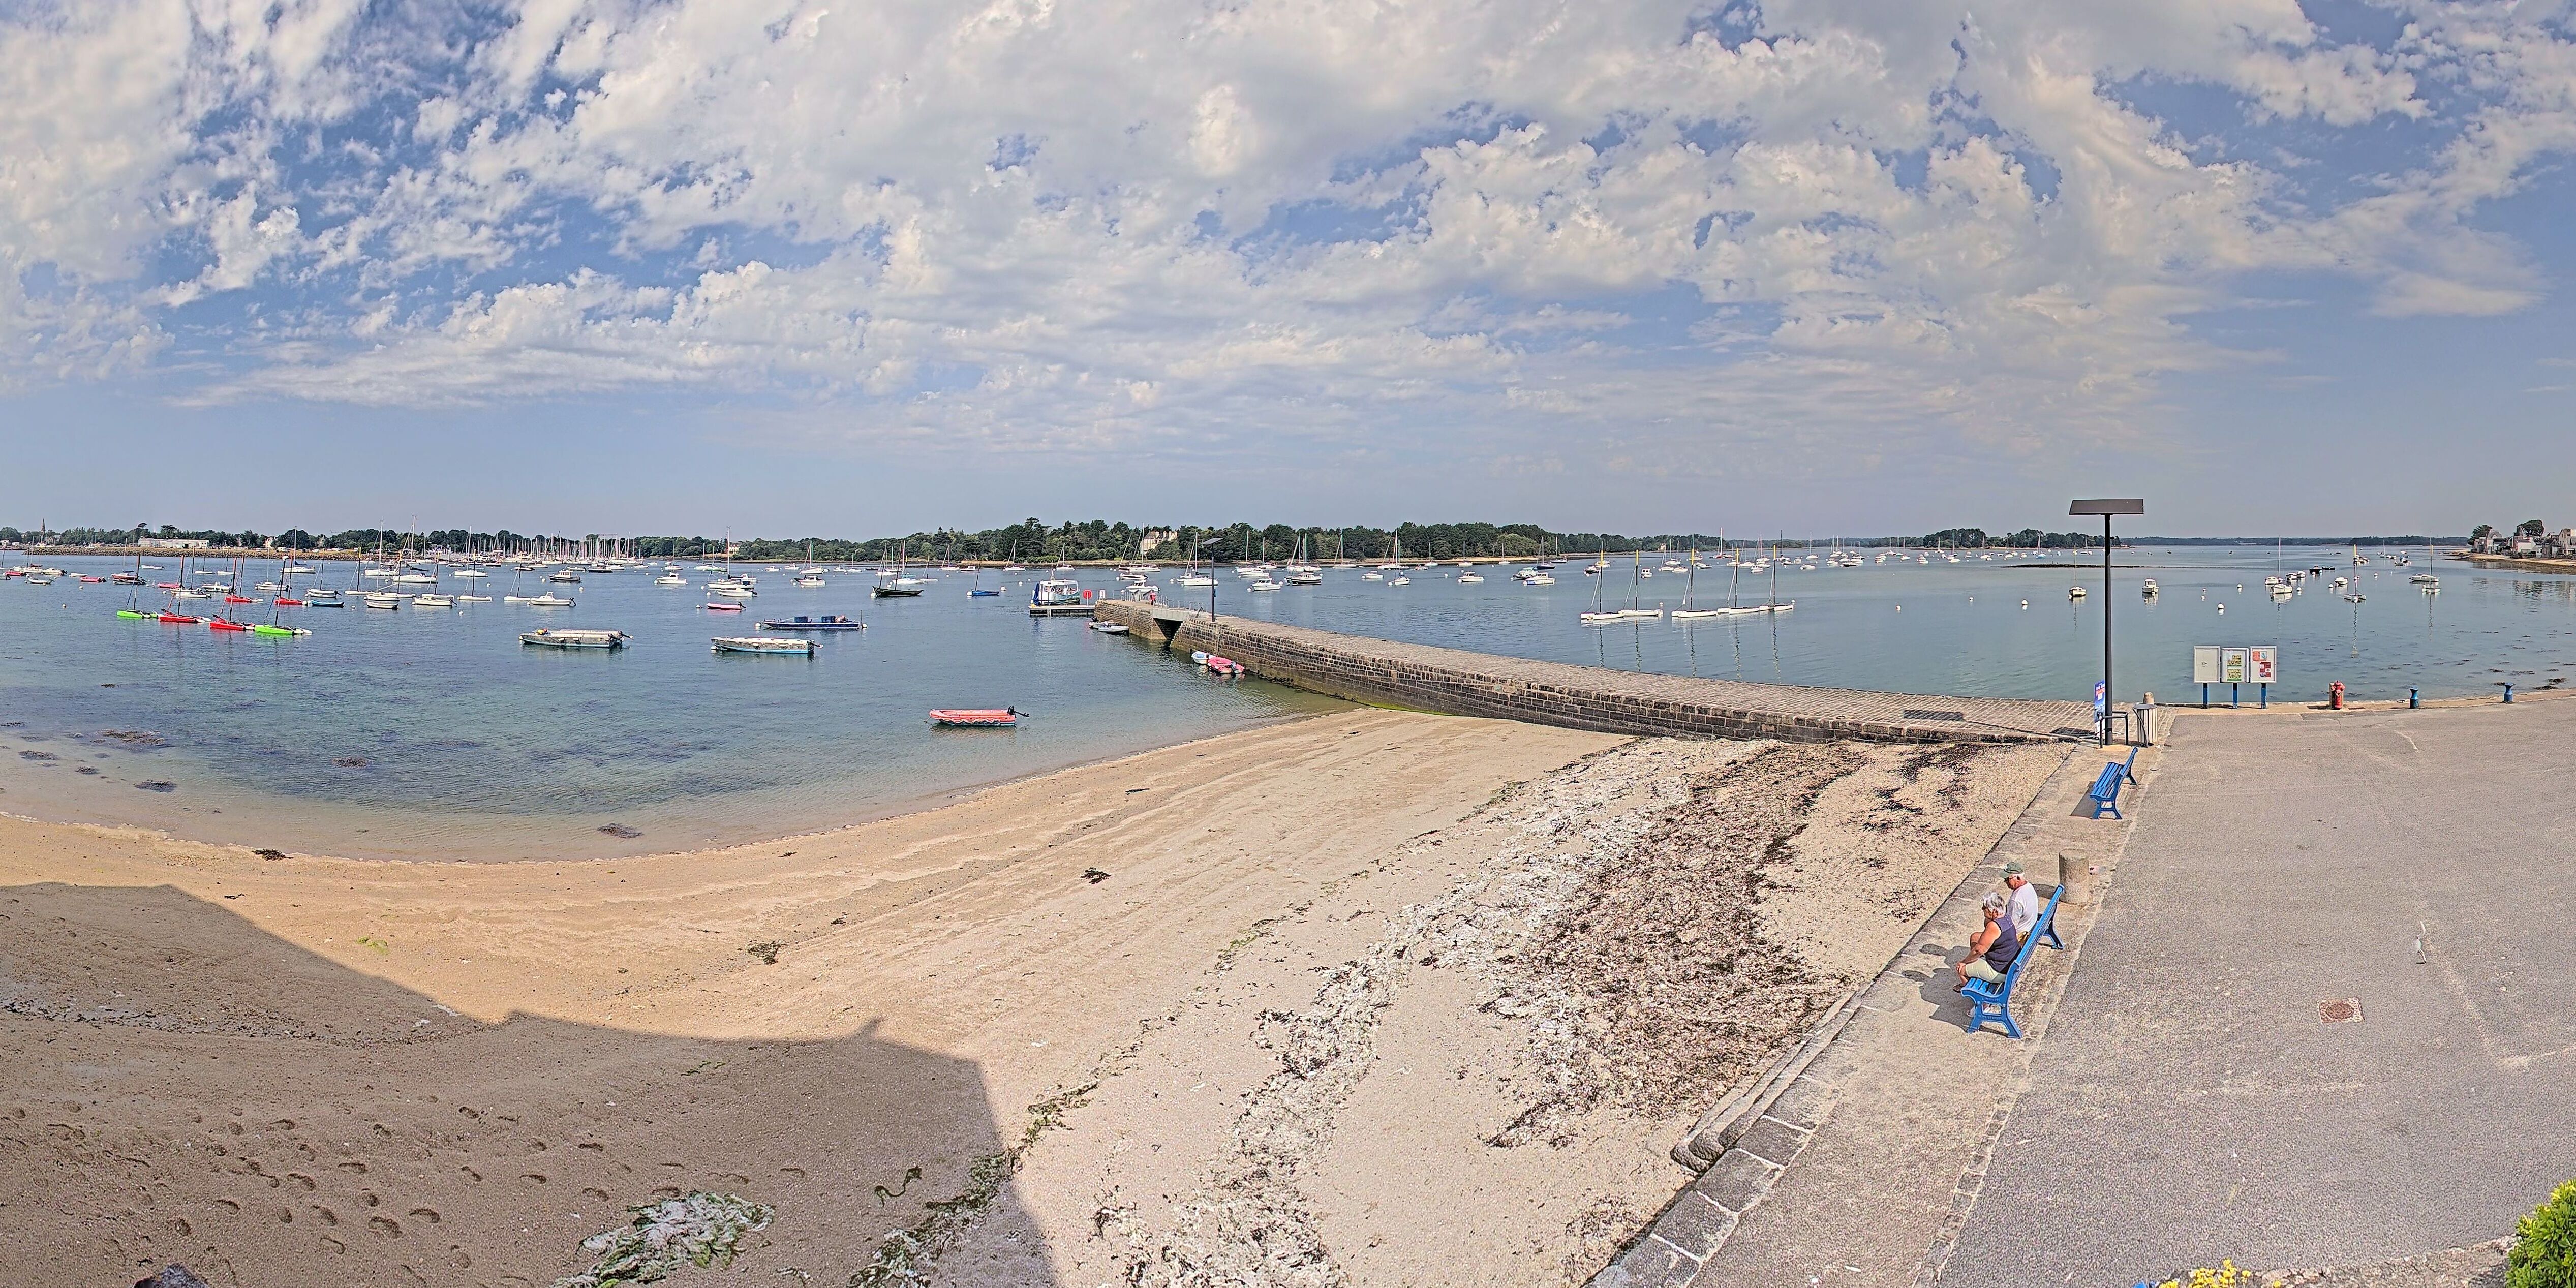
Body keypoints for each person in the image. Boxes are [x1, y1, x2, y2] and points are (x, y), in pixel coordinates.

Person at [1956, 891, 2020, 991]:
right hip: (2009, 961)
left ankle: (1980, 998)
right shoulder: (2006, 917)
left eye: (1985, 908)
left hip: (1999, 970)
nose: (1983, 910)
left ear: (1993, 911)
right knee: (1975, 937)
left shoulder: (1994, 926)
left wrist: (1964, 962)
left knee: (1961, 970)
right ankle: (1976, 965)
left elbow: (1979, 950)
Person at [2003, 861, 2040, 941]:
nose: (2005, 882)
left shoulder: (2016, 900)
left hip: (2019, 938)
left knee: (1976, 937)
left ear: (2018, 878)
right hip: (2030, 928)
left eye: (2007, 879)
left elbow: (2011, 926)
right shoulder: (2029, 886)